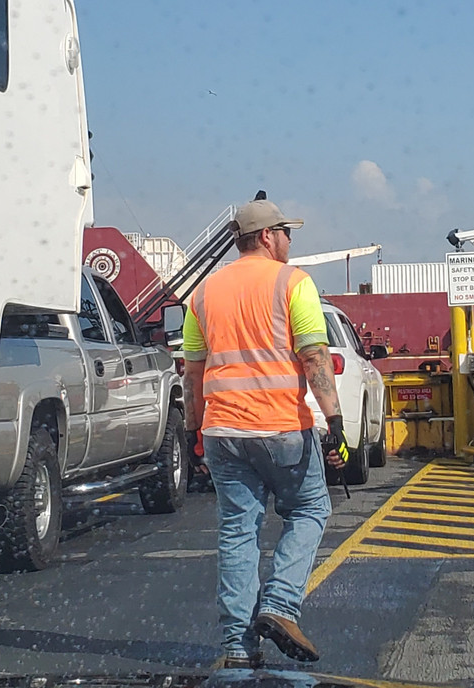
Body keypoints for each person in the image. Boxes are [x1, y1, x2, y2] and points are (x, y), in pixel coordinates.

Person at [181, 197, 348, 669]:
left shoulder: (205, 293)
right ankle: (280, 604)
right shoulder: (293, 283)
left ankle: (237, 644)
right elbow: (314, 357)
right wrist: (334, 423)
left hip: (222, 433)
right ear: (268, 236)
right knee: (311, 509)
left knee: (238, 531)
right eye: (287, 233)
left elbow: (192, 373)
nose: (291, 242)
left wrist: (194, 433)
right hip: (280, 429)